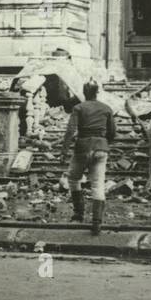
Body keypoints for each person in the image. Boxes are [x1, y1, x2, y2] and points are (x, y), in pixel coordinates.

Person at [64, 80, 116, 235]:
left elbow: (70, 130)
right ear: (97, 92)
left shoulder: (78, 108)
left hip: (82, 148)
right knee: (98, 184)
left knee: (73, 179)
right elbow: (112, 132)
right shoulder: (106, 108)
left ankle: (79, 214)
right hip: (101, 148)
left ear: (84, 92)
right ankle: (96, 223)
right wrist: (105, 143)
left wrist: (64, 150)